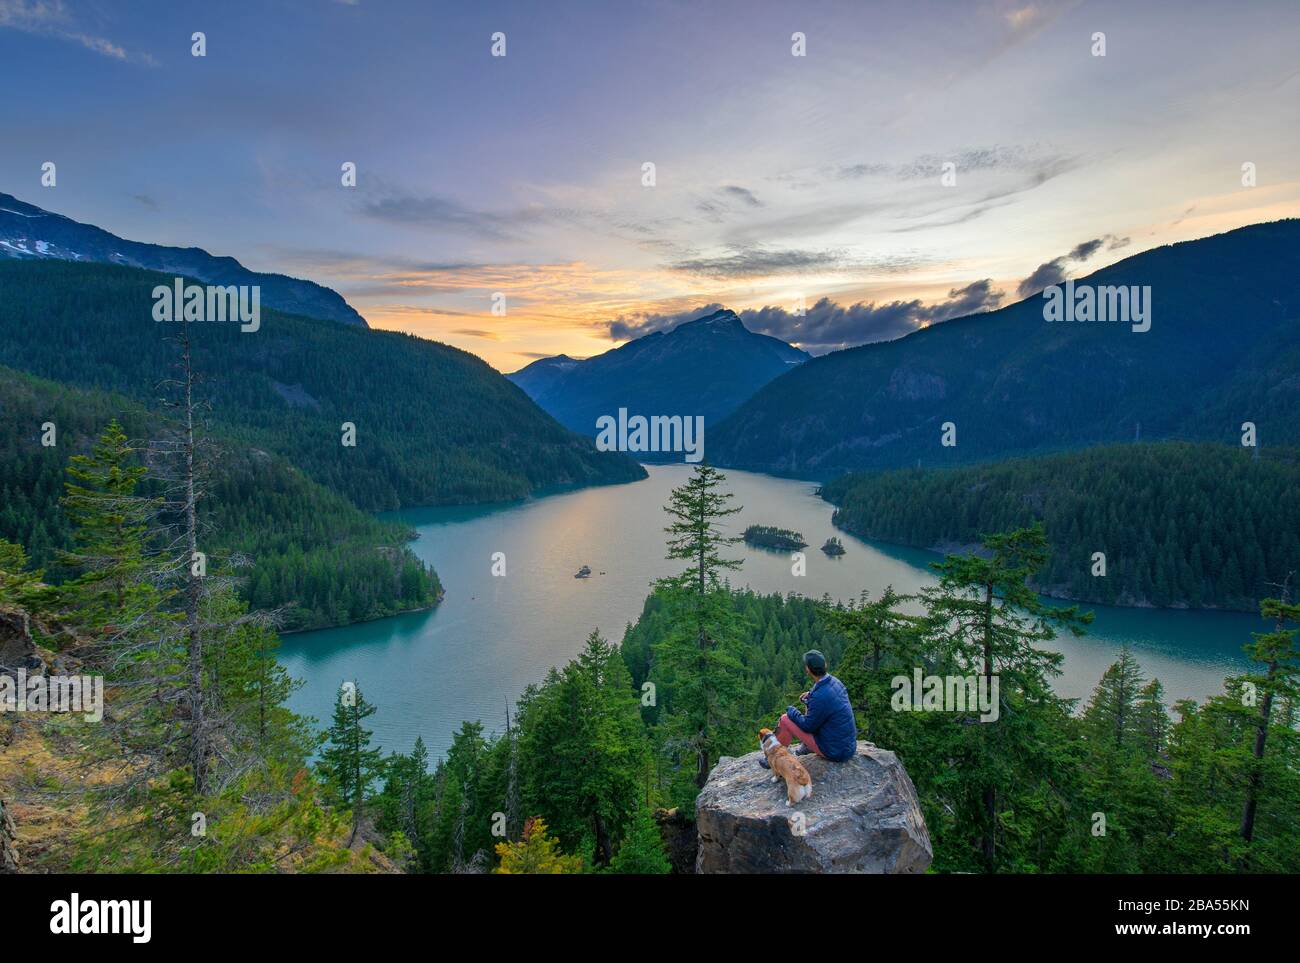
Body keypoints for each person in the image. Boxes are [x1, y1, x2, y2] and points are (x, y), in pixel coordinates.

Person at [761, 649, 857, 767]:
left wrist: (792, 711)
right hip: (847, 747)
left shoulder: (820, 696)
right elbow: (826, 701)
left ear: (808, 669)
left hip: (834, 752)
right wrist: (810, 696)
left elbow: (808, 726)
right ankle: (807, 747)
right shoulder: (835, 682)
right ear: (825, 665)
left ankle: (773, 758)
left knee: (785, 719)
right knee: (809, 702)